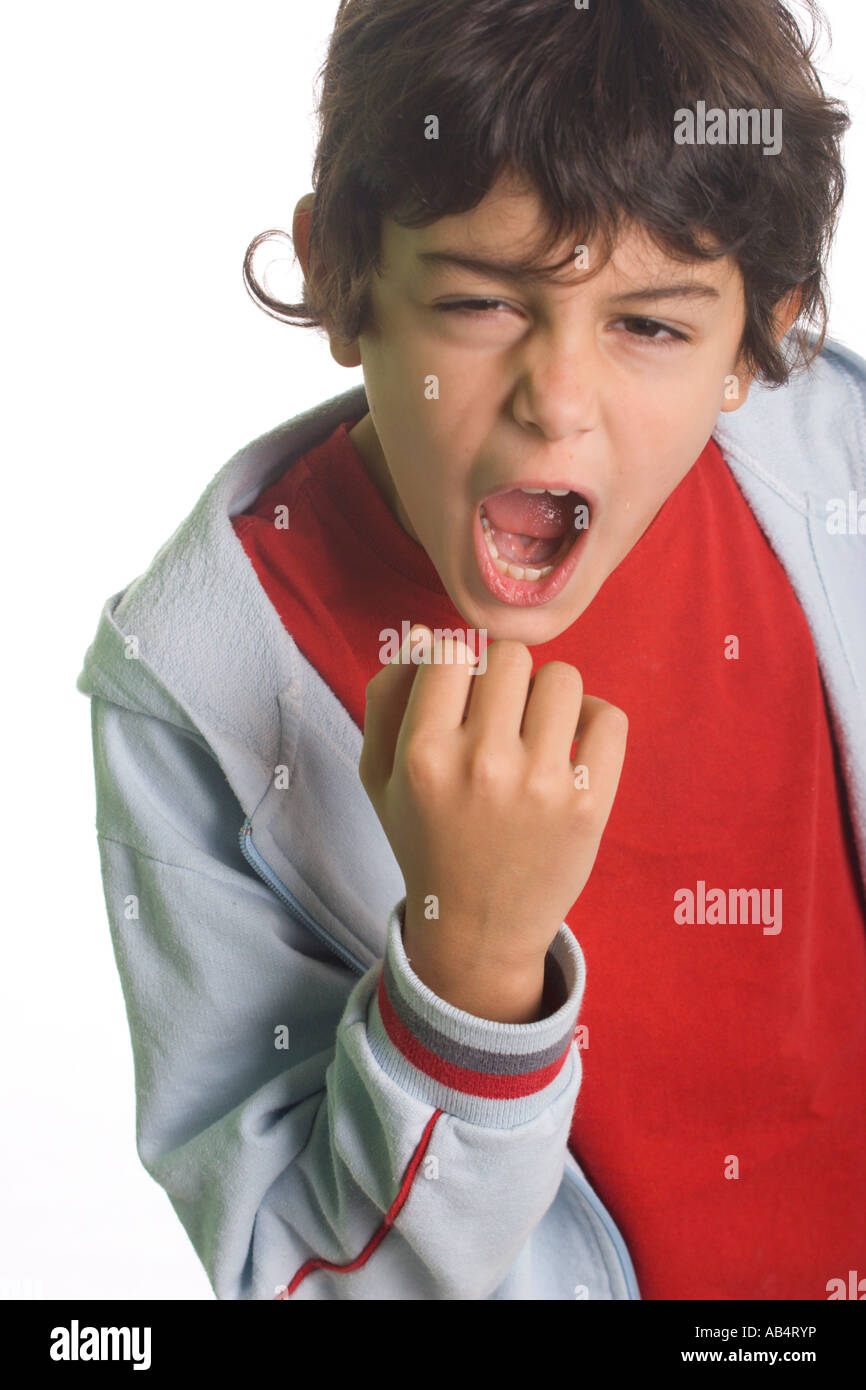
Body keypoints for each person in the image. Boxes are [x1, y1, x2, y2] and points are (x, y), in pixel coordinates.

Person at [76, 0, 866, 1300]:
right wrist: (472, 966)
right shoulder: (196, 690)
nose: (556, 400)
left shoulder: (837, 478)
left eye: (651, 327)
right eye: (480, 302)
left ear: (755, 339)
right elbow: (304, 1276)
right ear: (341, 280)